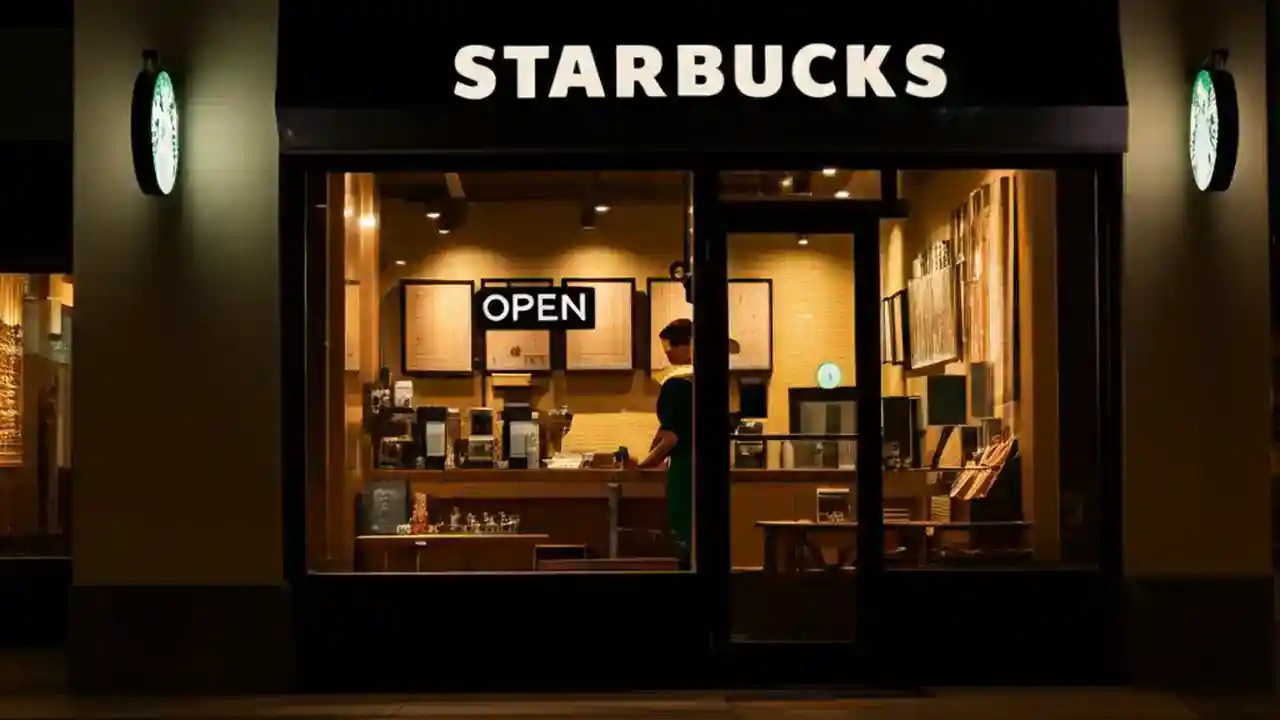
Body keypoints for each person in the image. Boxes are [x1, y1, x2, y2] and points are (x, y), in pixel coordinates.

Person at [634, 318, 694, 569]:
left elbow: (670, 438)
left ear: (686, 345)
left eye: (671, 345)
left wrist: (643, 465)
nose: (667, 351)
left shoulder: (676, 384)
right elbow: (667, 429)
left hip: (684, 468)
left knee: (683, 533)